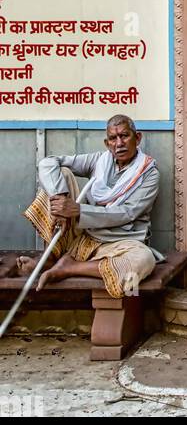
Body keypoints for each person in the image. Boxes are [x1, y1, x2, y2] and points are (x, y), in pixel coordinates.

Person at [17, 114, 161, 297]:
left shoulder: (150, 174)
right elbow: (48, 162)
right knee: (61, 175)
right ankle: (49, 257)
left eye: (125, 136)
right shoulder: (99, 160)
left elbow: (126, 213)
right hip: (85, 236)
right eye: (113, 138)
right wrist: (61, 199)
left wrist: (78, 211)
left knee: (144, 260)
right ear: (107, 143)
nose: (119, 143)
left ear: (137, 138)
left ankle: (70, 267)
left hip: (120, 242)